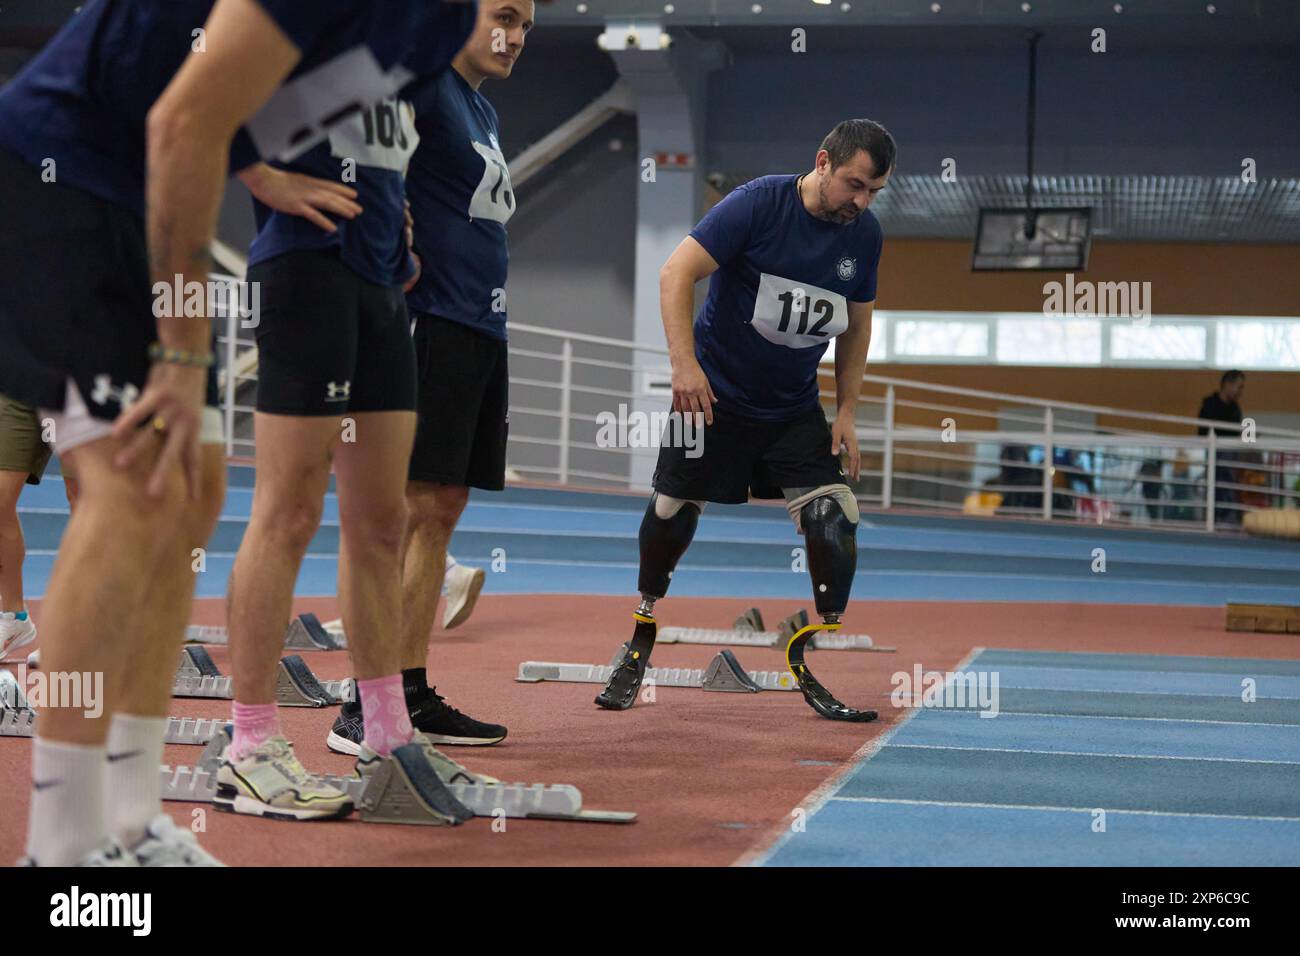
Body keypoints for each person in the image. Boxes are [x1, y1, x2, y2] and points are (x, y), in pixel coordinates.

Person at [0, 0, 482, 867]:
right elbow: (185, 121)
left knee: (189, 494)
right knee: (139, 484)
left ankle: (131, 822)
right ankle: (64, 850)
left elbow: (272, 113)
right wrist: (180, 356)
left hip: (139, 179)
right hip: (60, 167)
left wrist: (374, 213)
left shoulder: (439, 25)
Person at [593, 119, 894, 723]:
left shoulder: (864, 237)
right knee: (670, 514)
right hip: (712, 397)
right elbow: (675, 272)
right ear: (823, 162)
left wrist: (848, 412)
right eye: (854, 185)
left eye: (873, 193)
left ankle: (809, 641)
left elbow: (857, 325)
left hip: (791, 408)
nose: (860, 202)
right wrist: (684, 366)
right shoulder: (757, 204)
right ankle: (642, 626)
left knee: (834, 521)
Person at [327, 0, 537, 756]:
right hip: (429, 320)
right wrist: (383, 234)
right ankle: (364, 701)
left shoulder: (477, 106)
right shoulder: (420, 80)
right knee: (405, 511)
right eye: (502, 17)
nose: (513, 36)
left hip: (479, 326)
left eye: (526, 26)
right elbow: (350, 139)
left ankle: (407, 688)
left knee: (440, 507)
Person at [0, 394, 79, 659]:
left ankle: (82, 630)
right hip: (26, 377)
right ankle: (14, 618)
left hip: (85, 377)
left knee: (84, 499)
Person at [1197, 370, 1246, 526]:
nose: (1240, 392)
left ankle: (1228, 521)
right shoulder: (1209, 404)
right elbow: (1202, 432)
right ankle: (1211, 520)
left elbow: (1238, 434)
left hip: (1230, 459)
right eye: (1239, 387)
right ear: (1227, 384)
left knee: (1228, 489)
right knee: (1214, 490)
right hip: (1213, 457)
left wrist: (1248, 436)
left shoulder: (1236, 409)